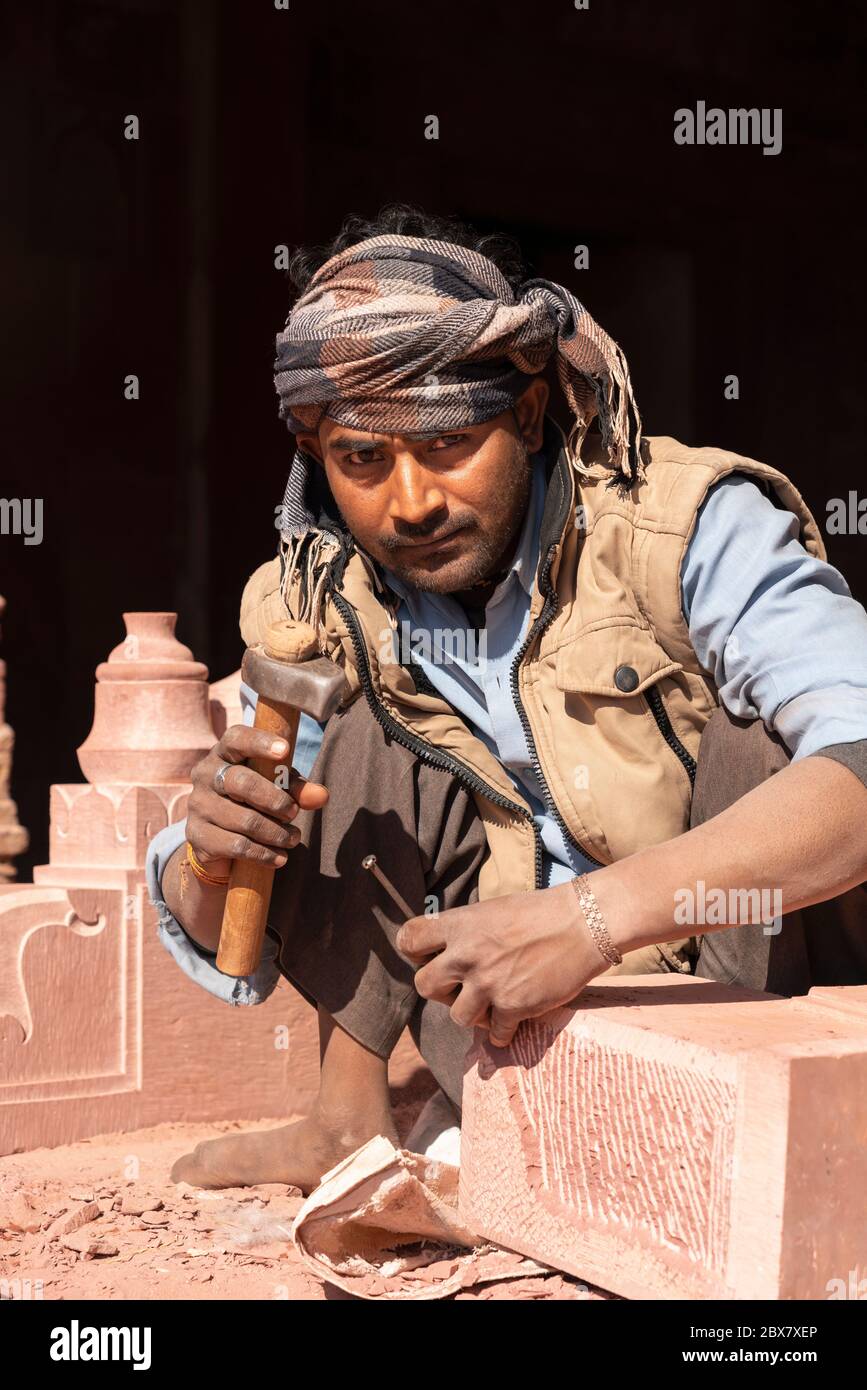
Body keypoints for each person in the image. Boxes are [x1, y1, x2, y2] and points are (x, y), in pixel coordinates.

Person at [146, 205, 867, 1193]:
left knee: (773, 748)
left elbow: (862, 750)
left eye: (448, 444)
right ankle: (347, 1122)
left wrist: (593, 919)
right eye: (363, 460)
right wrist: (210, 852)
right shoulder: (316, 601)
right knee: (348, 745)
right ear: (318, 455)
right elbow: (207, 904)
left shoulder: (684, 530)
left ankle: (779, 1150)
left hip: (744, 992)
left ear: (527, 417)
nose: (411, 502)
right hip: (503, 1016)